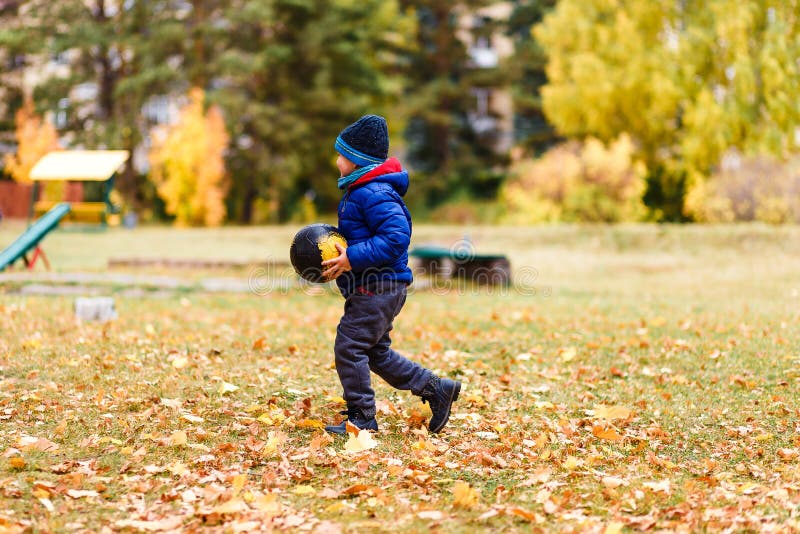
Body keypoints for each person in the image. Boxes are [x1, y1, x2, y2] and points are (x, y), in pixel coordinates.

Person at [321, 114, 461, 435]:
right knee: (374, 352)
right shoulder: (363, 191)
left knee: (350, 346)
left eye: (341, 154)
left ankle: (363, 418)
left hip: (379, 286)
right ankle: (436, 389)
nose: (336, 159)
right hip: (377, 286)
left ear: (356, 160)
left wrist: (352, 258)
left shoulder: (373, 193)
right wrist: (342, 263)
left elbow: (396, 237)